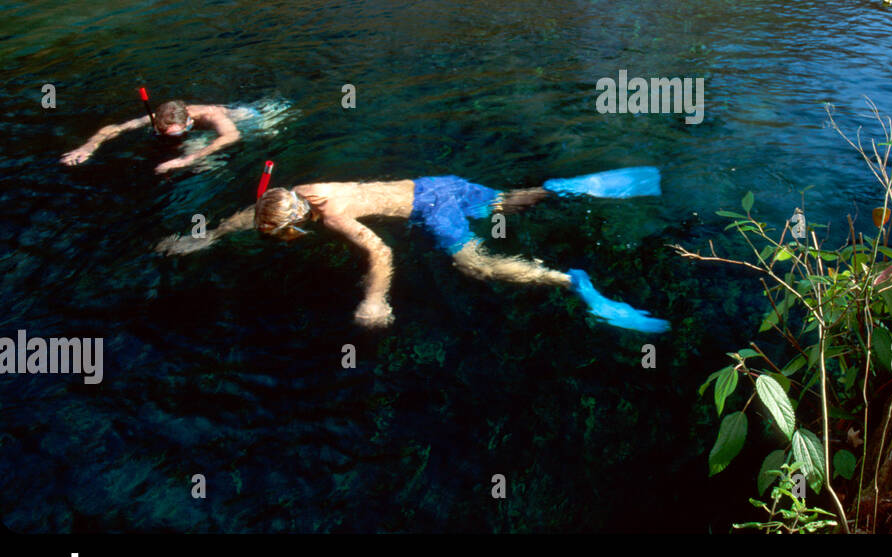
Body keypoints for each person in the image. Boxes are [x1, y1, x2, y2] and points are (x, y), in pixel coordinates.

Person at [156, 168, 671, 333]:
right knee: (503, 203)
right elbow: (256, 213)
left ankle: (569, 281)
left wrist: (374, 300)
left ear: (295, 224)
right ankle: (562, 188)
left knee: (474, 266)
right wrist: (206, 236)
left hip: (431, 211)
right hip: (437, 183)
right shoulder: (305, 193)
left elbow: (380, 252)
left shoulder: (332, 217)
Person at [61, 99, 243, 174]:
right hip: (200, 133)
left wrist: (186, 160)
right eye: (161, 132)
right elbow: (115, 128)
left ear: (188, 122)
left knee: (200, 163)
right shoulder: (157, 118)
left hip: (247, 120)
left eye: (176, 133)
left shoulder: (210, 115)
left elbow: (231, 136)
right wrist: (89, 146)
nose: (170, 137)